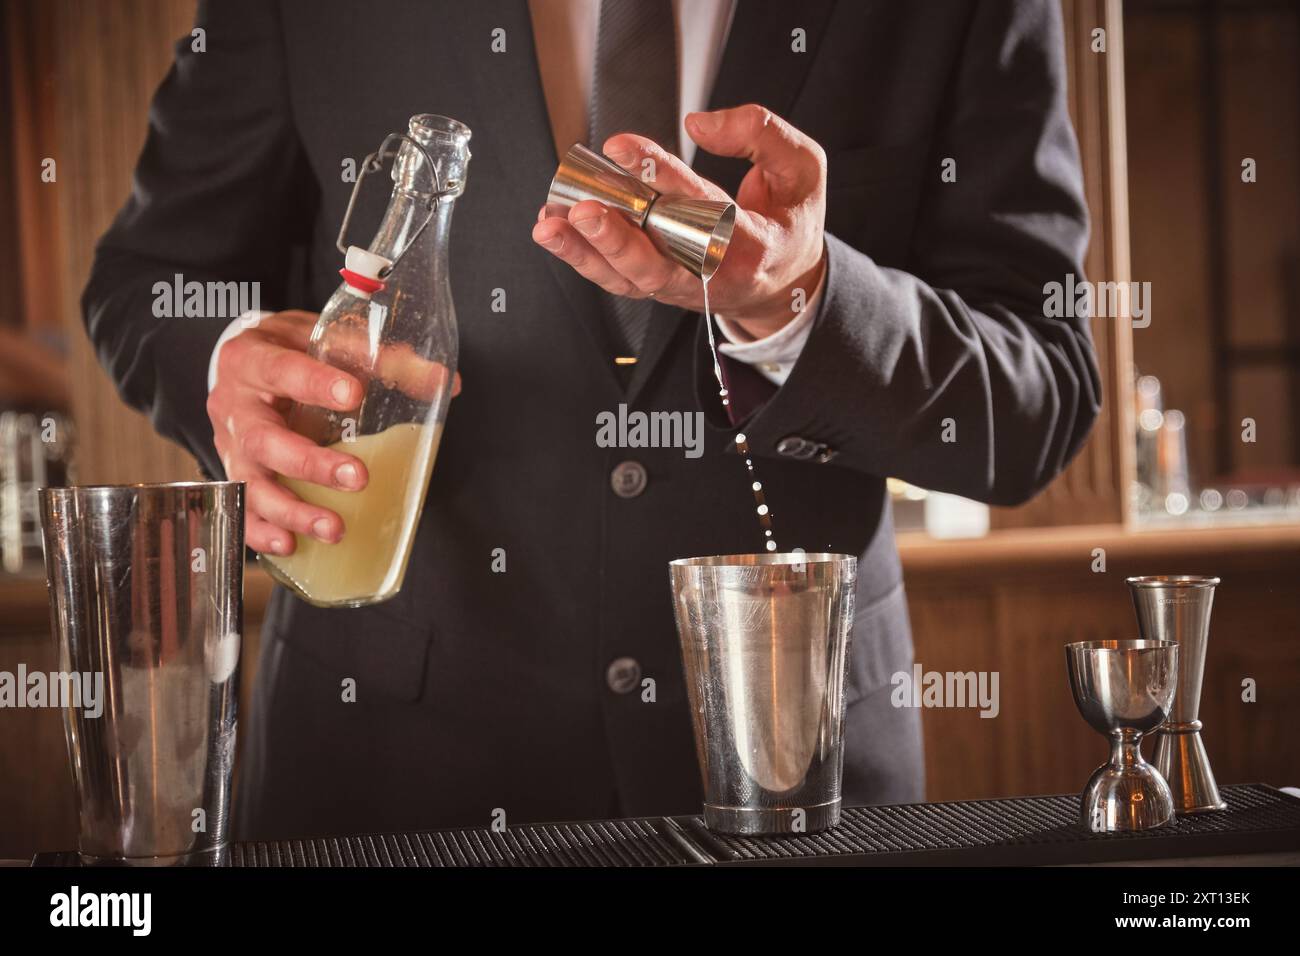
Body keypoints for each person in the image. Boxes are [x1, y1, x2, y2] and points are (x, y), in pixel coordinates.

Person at [82, 0, 1099, 839]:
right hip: (391, 782)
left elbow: (1040, 385)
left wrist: (805, 298)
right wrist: (228, 363)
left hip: (796, 773)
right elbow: (150, 279)